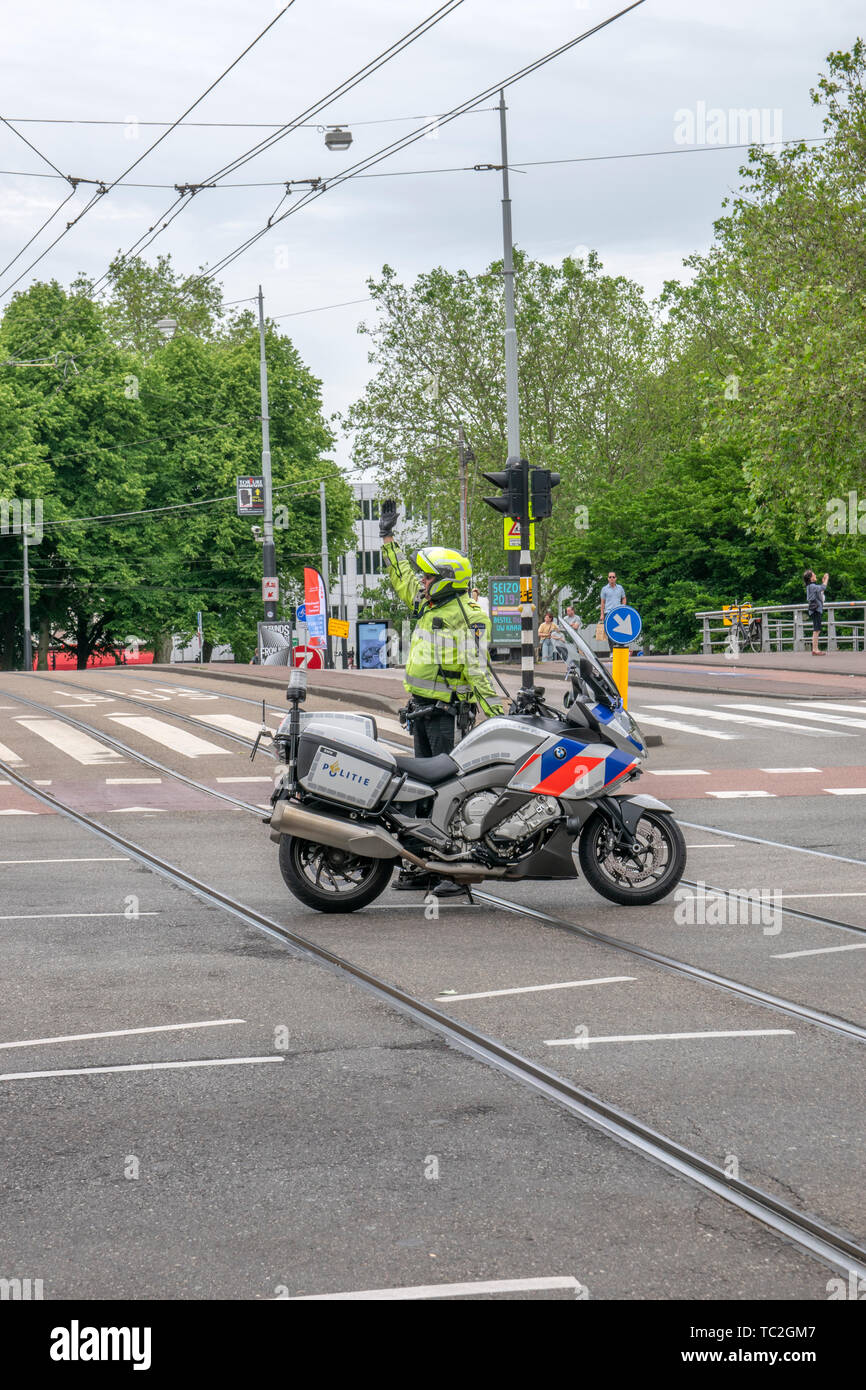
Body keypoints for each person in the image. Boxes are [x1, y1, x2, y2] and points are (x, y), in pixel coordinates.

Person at [379, 500, 505, 892]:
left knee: (451, 793)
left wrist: (499, 715)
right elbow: (401, 579)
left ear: (448, 579)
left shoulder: (467, 615)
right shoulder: (428, 603)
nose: (420, 583)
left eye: (428, 578)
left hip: (448, 714)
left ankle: (457, 873)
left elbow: (478, 670)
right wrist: (387, 538)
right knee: (421, 792)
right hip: (422, 710)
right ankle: (422, 864)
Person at [804, 568, 830, 655]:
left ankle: (815, 649)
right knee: (816, 629)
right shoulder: (811, 586)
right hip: (815, 609)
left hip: (815, 609)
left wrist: (823, 581)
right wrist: (826, 579)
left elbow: (820, 590)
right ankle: (815, 649)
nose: (815, 575)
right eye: (813, 574)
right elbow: (823, 587)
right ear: (811, 578)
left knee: (817, 629)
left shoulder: (811, 586)